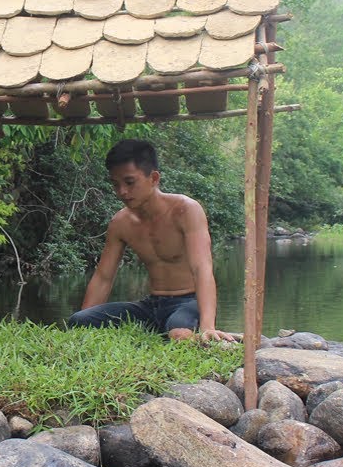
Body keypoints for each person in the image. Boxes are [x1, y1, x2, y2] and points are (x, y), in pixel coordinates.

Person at [66, 139, 237, 343]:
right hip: (150, 306)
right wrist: (84, 328)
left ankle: (200, 335)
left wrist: (208, 326)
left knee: (178, 334)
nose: (122, 191)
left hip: (188, 303)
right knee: (79, 320)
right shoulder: (120, 222)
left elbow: (202, 268)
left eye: (130, 182)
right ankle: (166, 329)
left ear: (154, 178)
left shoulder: (186, 210)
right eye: (115, 184)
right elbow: (103, 277)